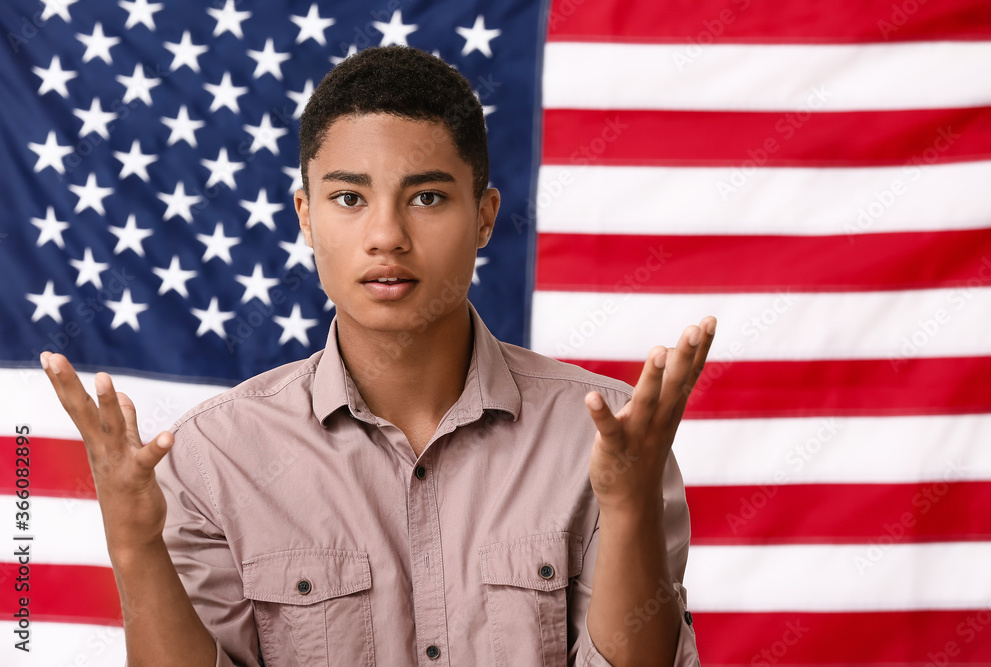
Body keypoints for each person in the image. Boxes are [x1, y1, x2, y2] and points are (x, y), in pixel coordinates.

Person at [40, 45, 713, 666]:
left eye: (426, 196)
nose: (386, 235)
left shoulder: (608, 438)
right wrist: (134, 545)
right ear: (306, 215)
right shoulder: (211, 459)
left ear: (484, 216)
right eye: (349, 198)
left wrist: (628, 508)